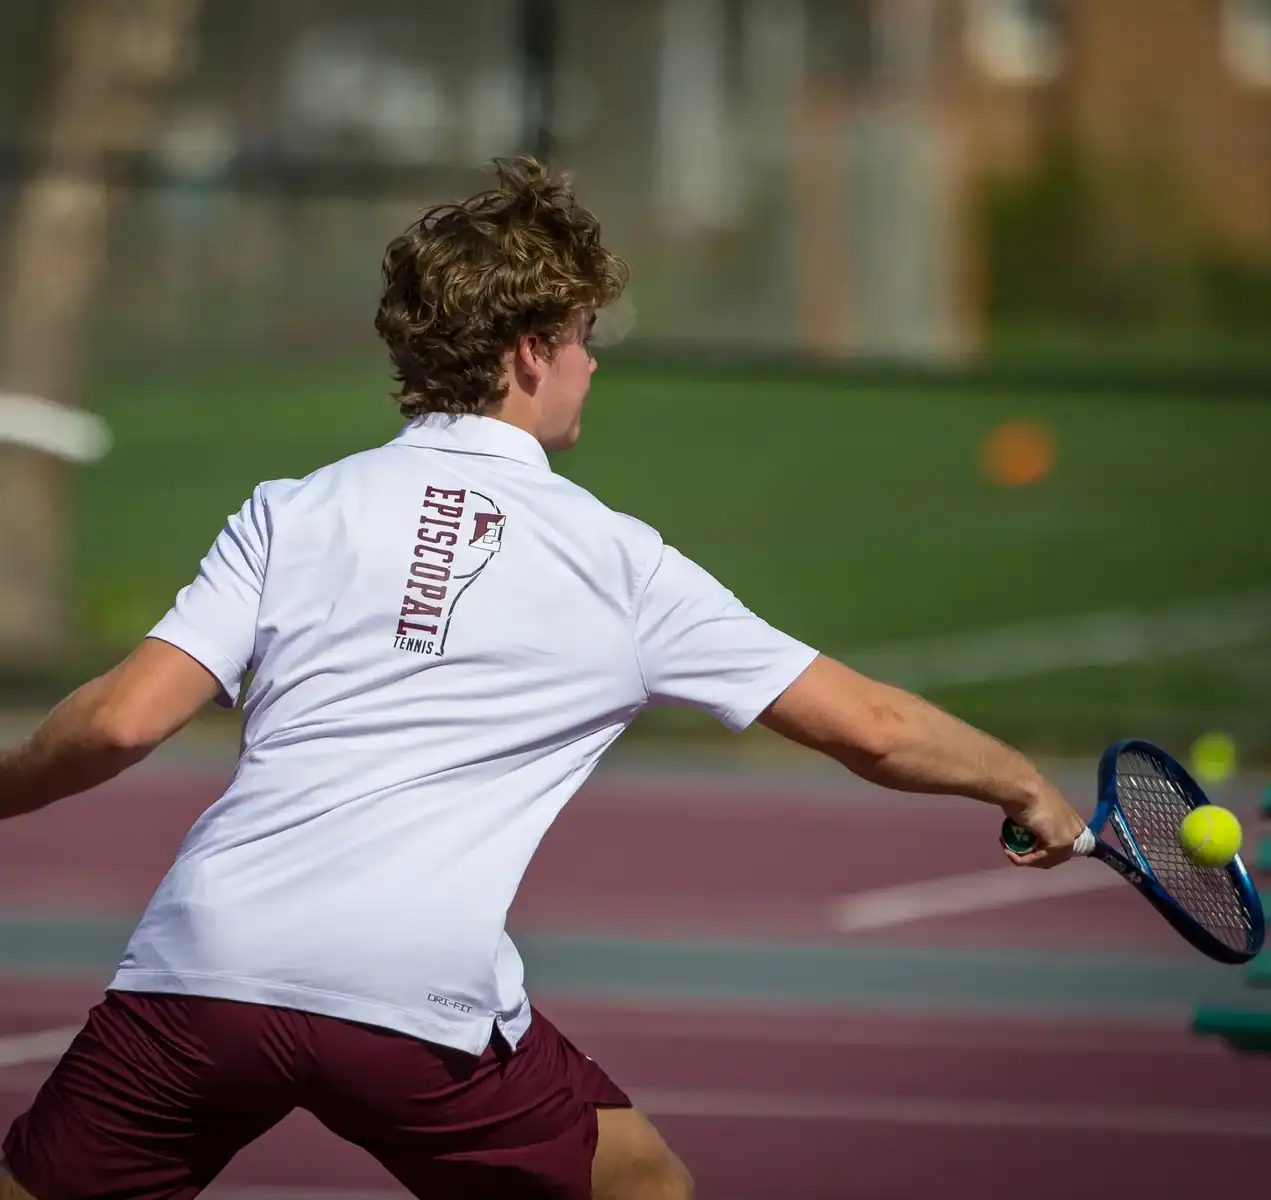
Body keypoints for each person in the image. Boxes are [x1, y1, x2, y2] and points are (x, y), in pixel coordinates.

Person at [0, 157, 1085, 1200]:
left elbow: (120, 723)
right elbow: (873, 727)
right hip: (408, 993)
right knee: (644, 1186)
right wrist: (1021, 783)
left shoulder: (292, 509)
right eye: (581, 339)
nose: (590, 365)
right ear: (529, 353)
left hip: (203, 968)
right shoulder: (621, 563)